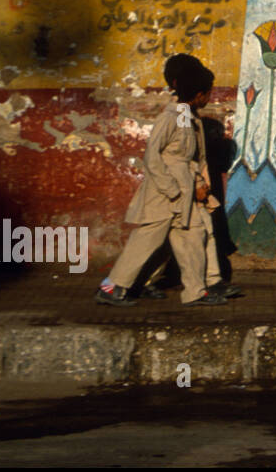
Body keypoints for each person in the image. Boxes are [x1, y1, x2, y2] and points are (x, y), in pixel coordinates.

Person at [96, 59, 225, 306]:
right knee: (147, 240)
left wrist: (195, 184)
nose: (208, 97)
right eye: (207, 93)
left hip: (183, 191)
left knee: (192, 236)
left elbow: (189, 157)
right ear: (199, 94)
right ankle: (110, 288)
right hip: (163, 192)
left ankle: (196, 291)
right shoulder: (170, 117)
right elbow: (151, 156)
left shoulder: (186, 116)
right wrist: (171, 189)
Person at [136, 54, 242, 300]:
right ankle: (132, 282)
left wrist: (198, 183)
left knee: (202, 230)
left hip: (188, 184)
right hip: (171, 186)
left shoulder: (186, 113)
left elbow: (190, 152)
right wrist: (184, 186)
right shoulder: (176, 114)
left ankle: (210, 282)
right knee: (160, 238)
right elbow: (177, 154)